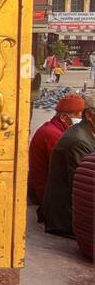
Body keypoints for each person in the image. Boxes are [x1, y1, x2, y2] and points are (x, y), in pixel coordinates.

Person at [40, 94, 95, 236]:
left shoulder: (84, 134)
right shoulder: (78, 141)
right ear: (89, 115)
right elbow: (83, 188)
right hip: (65, 218)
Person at [28, 93, 84, 206]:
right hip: (47, 196)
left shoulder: (54, 129)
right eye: (79, 117)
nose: (81, 121)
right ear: (63, 117)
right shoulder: (53, 135)